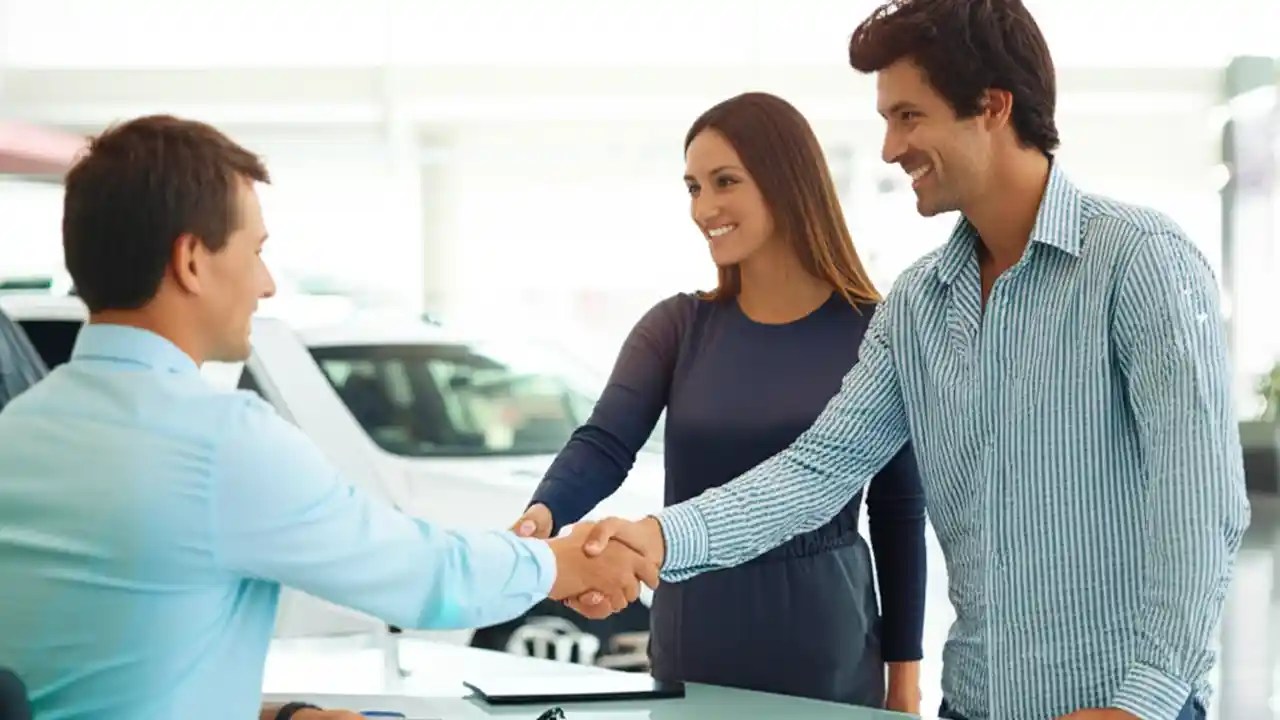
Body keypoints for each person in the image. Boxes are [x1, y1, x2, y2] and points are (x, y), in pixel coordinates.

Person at [571, 2, 1252, 720]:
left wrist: (1142, 704)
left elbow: (1201, 505)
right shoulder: (918, 303)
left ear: (991, 107)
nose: (891, 148)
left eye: (908, 115)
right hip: (974, 705)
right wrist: (656, 538)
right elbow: (815, 470)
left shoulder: (1138, 262)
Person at [0, 115, 657, 720]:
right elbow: (423, 576)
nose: (267, 284)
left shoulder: (16, 432)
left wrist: (275, 715)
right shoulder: (221, 443)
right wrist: (564, 563)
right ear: (192, 261)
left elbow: (94, 684)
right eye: (256, 251)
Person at [511, 91, 927, 712]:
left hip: (825, 643)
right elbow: (604, 443)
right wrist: (543, 515)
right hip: (695, 635)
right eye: (693, 188)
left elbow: (898, 513)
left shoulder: (878, 331)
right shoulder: (676, 328)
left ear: (787, 183)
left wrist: (905, 682)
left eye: (724, 182)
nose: (704, 208)